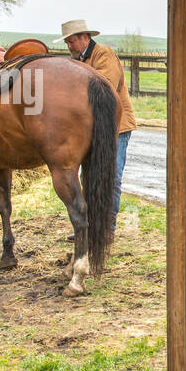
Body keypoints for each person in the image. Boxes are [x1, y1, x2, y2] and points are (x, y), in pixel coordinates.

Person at [60, 19, 137, 233]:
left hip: (115, 126)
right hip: (92, 127)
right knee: (89, 176)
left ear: (86, 37)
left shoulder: (104, 55)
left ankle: (106, 228)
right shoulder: (78, 60)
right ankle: (90, 225)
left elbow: (105, 87)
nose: (69, 46)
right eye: (67, 42)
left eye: (72, 41)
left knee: (111, 176)